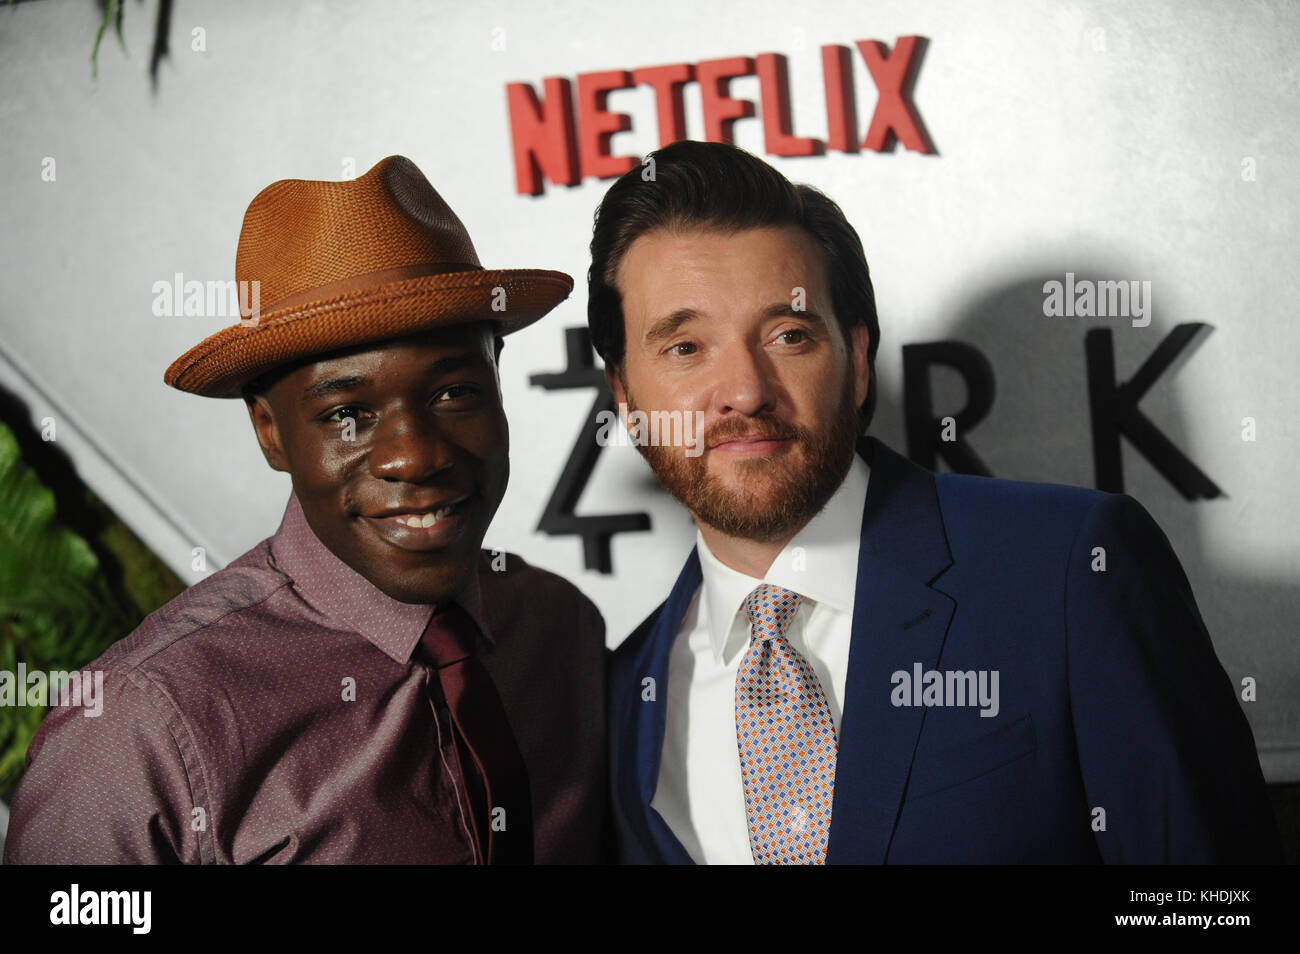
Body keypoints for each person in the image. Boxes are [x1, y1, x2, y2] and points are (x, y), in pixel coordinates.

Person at [594, 140, 1281, 864]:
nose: (745, 389)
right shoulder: (616, 702)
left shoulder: (1073, 571)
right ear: (625, 397)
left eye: (789, 335)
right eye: (684, 348)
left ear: (858, 363)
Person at [4, 156, 607, 864]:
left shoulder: (561, 633)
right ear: (270, 431)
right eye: (348, 413)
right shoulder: (138, 732)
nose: (414, 457)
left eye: (454, 393)